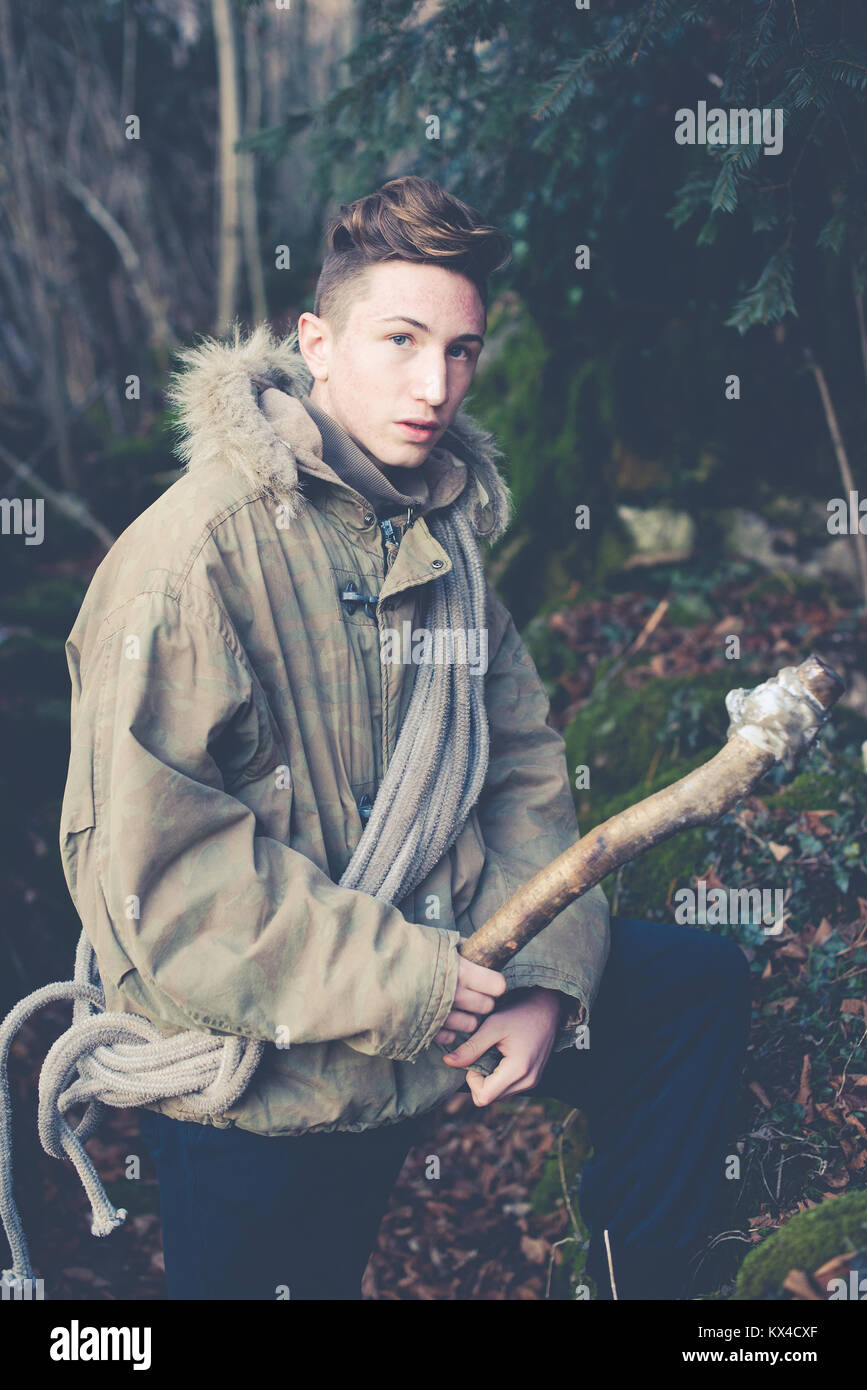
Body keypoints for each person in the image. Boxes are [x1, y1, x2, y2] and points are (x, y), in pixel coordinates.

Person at [58, 175, 750, 1302]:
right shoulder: (193, 558)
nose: (436, 386)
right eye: (402, 340)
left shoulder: (443, 535)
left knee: (694, 987)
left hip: (455, 981)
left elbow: (524, 764)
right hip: (269, 1068)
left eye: (464, 351)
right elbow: (159, 881)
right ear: (317, 343)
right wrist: (418, 982)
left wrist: (543, 982)